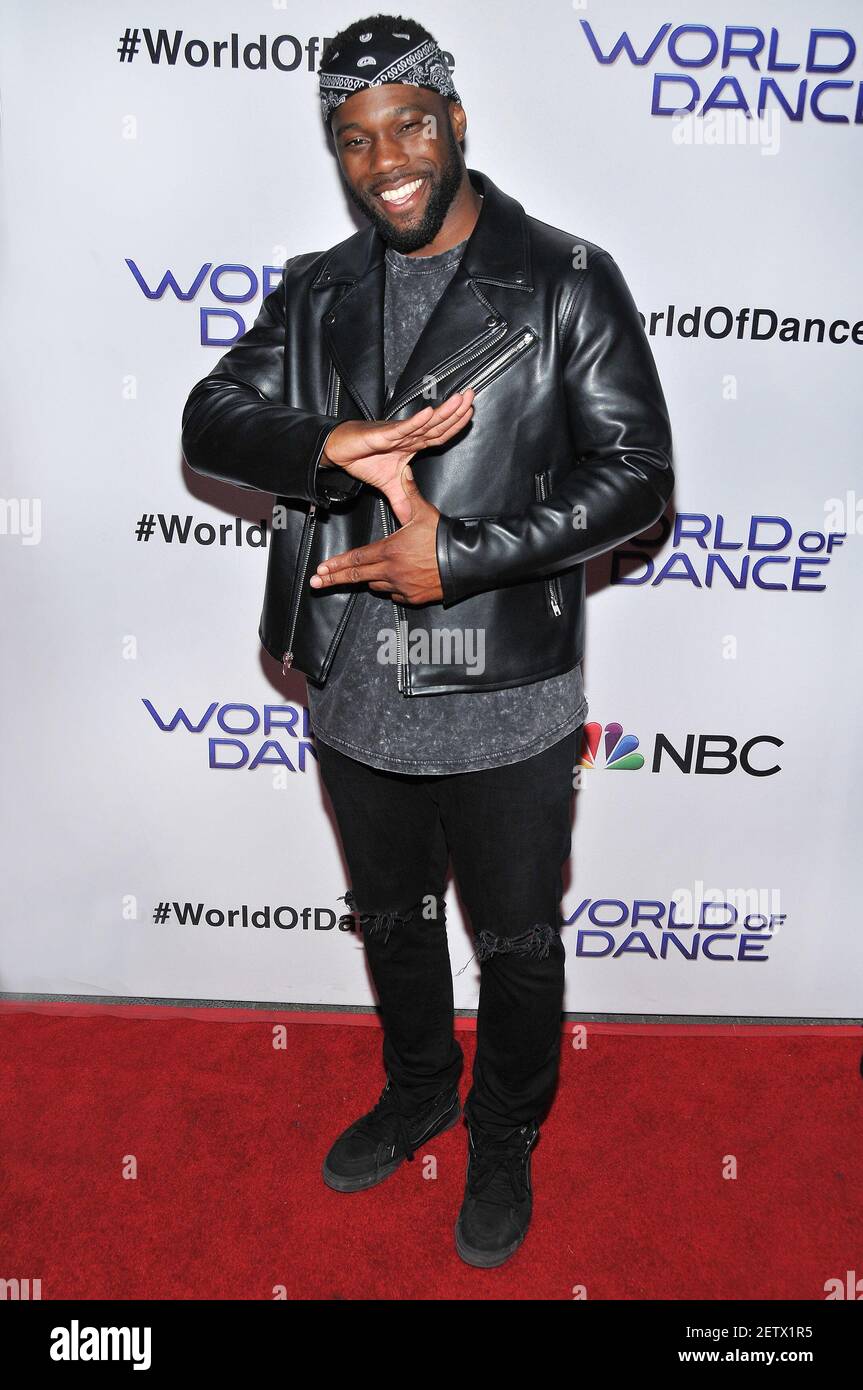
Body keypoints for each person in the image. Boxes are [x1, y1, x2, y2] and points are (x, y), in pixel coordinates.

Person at [181, 12, 674, 1269]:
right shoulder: (321, 290)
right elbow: (209, 414)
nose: (384, 160)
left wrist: (454, 554)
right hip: (352, 684)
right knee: (390, 915)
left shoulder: (564, 278)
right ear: (337, 154)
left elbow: (634, 479)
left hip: (504, 680)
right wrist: (322, 443)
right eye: (354, 140)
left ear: (455, 123)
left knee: (512, 938)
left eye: (407, 126)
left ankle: (503, 1130)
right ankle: (419, 1090)